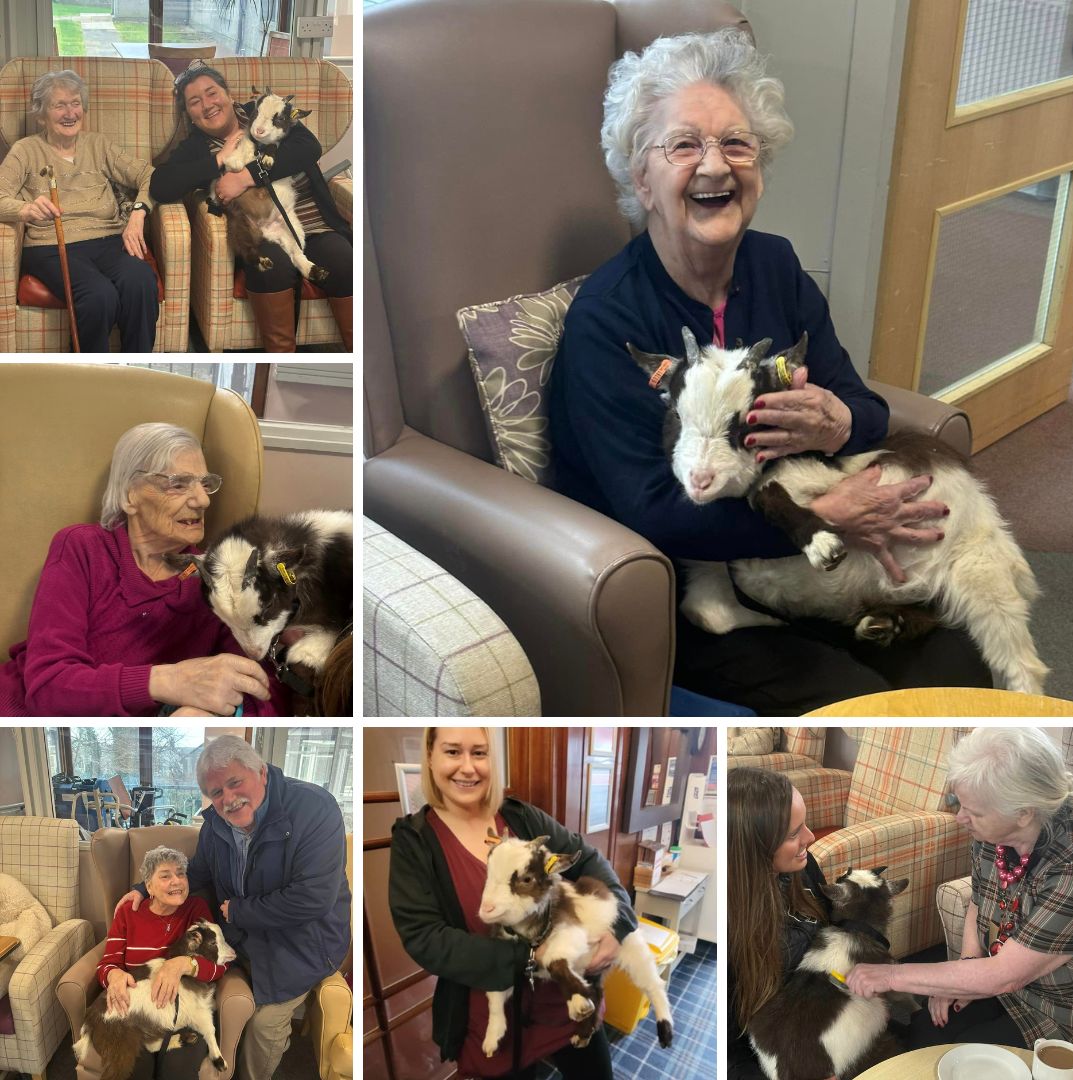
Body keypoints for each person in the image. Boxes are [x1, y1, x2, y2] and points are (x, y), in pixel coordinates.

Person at [547, 29, 993, 714]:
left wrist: (841, 420)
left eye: (736, 143)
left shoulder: (777, 267)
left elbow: (859, 406)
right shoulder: (608, 321)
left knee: (960, 666)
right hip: (689, 588)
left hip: (813, 567)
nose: (715, 166)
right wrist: (824, 518)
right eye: (684, 144)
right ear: (641, 176)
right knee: (855, 701)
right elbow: (650, 511)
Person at [389, 727, 637, 1080]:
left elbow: (590, 858)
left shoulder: (522, 818)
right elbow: (425, 939)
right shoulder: (414, 842)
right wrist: (532, 958)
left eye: (480, 752)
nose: (468, 767)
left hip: (567, 1000)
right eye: (453, 751)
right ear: (430, 755)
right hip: (494, 1015)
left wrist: (620, 922)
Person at [0, 422, 287, 716]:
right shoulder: (83, 548)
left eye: (205, 483)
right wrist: (170, 680)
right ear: (129, 495)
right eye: (178, 484)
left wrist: (202, 716)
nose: (202, 500)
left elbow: (264, 689)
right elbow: (49, 688)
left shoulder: (217, 577)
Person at [115, 735, 351, 1080]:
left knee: (263, 1024)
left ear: (262, 772)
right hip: (245, 940)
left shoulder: (315, 808)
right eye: (216, 792)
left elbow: (313, 897)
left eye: (235, 782)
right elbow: (198, 872)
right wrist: (143, 888)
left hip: (302, 943)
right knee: (215, 1006)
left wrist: (239, 912)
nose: (227, 799)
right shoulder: (216, 825)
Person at [847, 727, 1073, 1050]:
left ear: (1024, 812)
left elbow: (1005, 975)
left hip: (1058, 1013)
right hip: (1003, 984)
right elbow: (979, 901)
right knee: (924, 1033)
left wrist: (889, 976)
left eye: (974, 811)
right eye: (959, 803)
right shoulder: (994, 831)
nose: (960, 818)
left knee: (963, 1057)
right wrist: (966, 966)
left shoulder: (1072, 866)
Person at [148, 64, 352, 352]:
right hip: (262, 231)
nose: (207, 105)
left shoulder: (265, 110)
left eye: (212, 93)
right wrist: (218, 159)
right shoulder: (196, 147)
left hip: (311, 219)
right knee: (272, 269)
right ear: (189, 115)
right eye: (195, 102)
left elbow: (309, 148)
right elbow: (161, 185)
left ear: (229, 95)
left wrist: (246, 177)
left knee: (345, 262)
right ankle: (282, 355)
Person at [0, 69, 159, 351]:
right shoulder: (25, 150)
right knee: (99, 296)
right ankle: (89, 373)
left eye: (75, 103)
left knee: (141, 280)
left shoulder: (97, 144)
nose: (70, 112)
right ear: (41, 115)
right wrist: (25, 209)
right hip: (51, 245)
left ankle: (133, 369)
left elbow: (149, 175)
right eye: (58, 105)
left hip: (107, 240)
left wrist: (137, 213)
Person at [727, 767, 836, 1080]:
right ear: (754, 847)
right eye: (793, 834)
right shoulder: (734, 926)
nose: (811, 838)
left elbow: (833, 929)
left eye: (804, 824)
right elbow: (735, 1054)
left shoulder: (804, 865)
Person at [97, 846, 228, 1079]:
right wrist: (113, 975)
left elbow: (219, 966)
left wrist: (184, 964)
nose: (176, 881)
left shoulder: (196, 909)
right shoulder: (129, 911)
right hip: (137, 1013)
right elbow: (108, 962)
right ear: (148, 887)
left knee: (178, 1072)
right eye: (165, 876)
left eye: (181, 873)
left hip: (184, 1012)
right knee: (135, 1069)